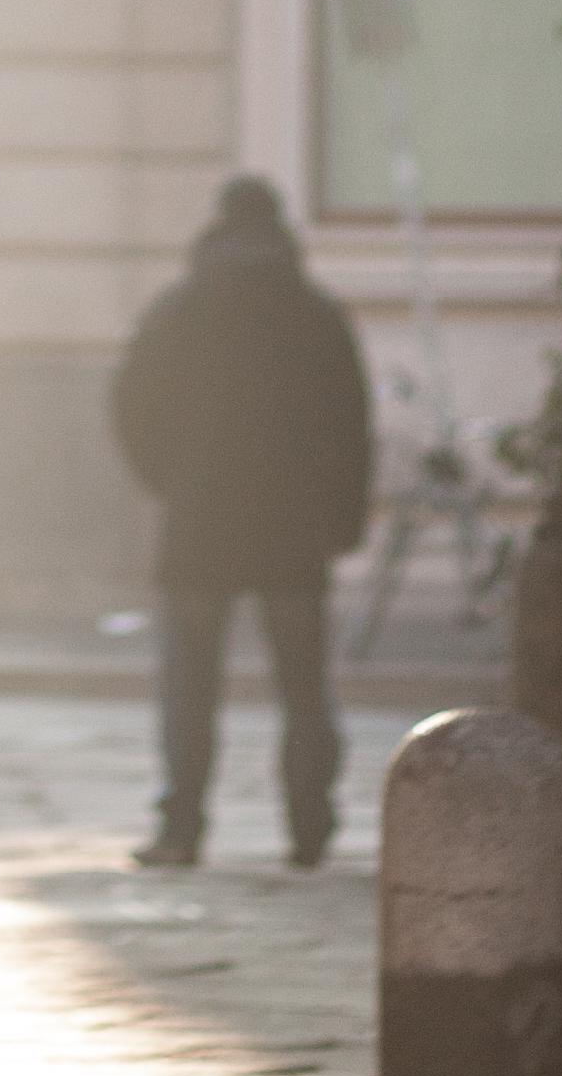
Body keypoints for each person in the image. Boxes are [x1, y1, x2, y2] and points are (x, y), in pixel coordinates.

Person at [110, 172, 375, 867]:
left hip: (199, 521)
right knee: (304, 685)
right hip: (292, 526)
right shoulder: (316, 313)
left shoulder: (180, 309)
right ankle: (310, 827)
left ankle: (181, 827)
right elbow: (352, 425)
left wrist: (165, 479)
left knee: (189, 688)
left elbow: (129, 404)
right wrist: (344, 520)